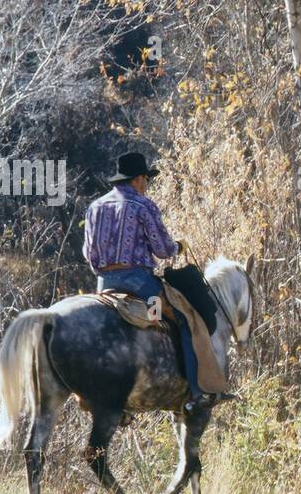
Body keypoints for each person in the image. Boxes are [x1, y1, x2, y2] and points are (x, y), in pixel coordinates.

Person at [83, 151, 215, 413]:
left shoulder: (95, 207)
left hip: (104, 286)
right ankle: (197, 392)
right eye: (146, 180)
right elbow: (162, 249)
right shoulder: (144, 206)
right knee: (185, 319)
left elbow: (88, 254)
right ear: (139, 180)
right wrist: (178, 247)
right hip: (140, 285)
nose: (146, 185)